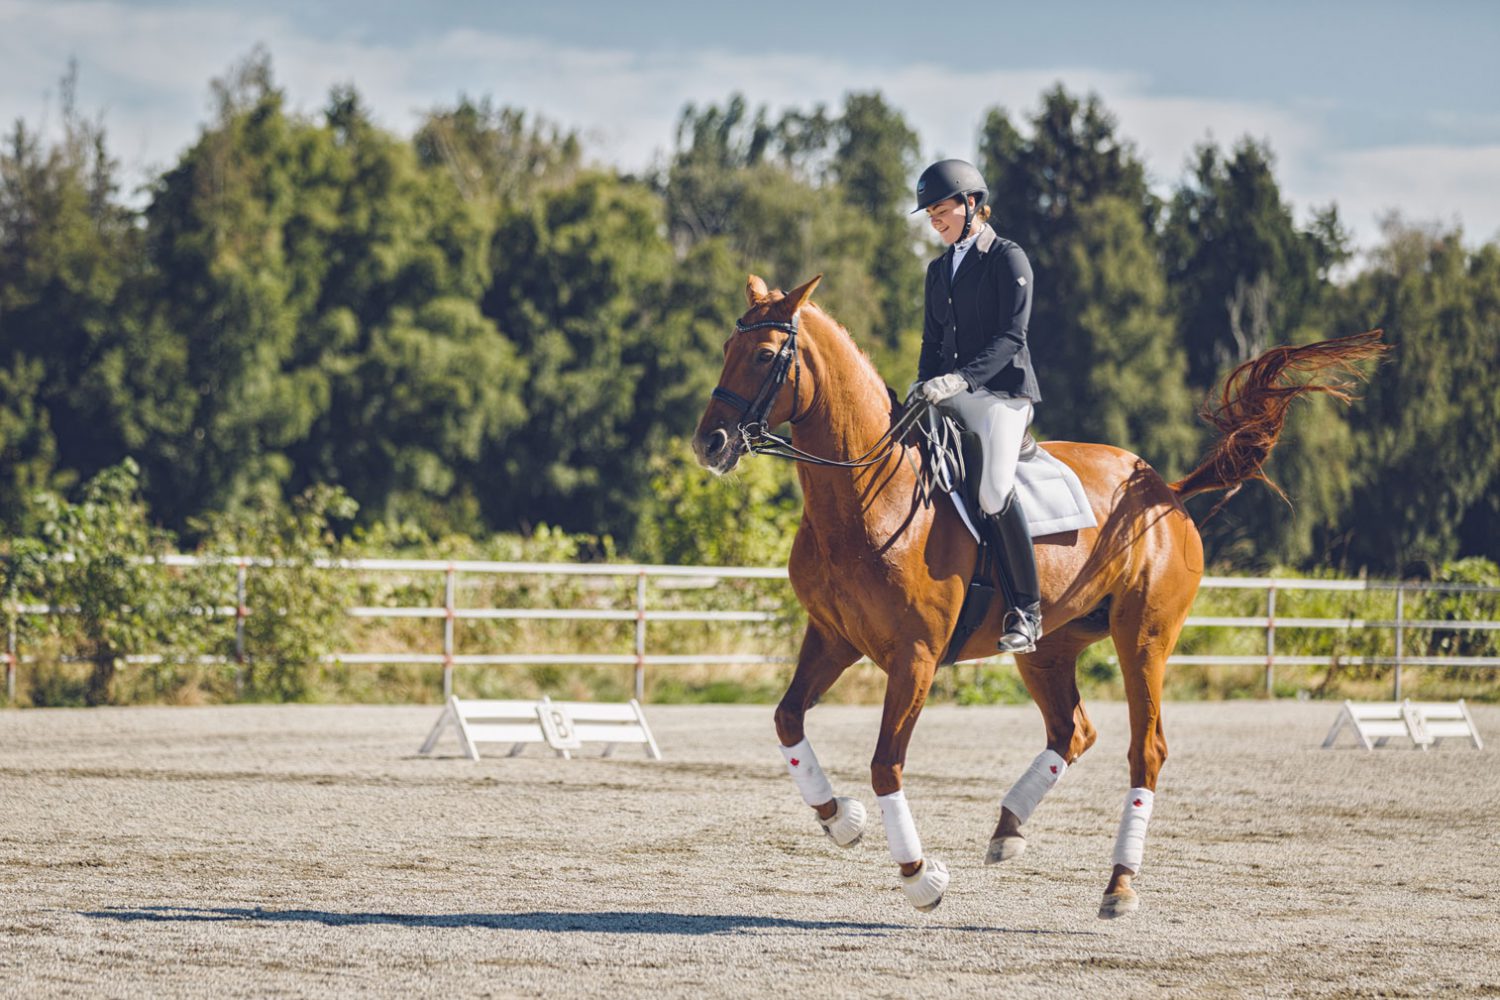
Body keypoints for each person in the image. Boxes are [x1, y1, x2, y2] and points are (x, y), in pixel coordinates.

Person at [910, 158, 1042, 654]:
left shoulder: (1007, 258)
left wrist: (960, 379)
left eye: (940, 210)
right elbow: (931, 340)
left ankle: (1027, 612)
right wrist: (920, 385)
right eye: (929, 214)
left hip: (1002, 395)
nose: (934, 221)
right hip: (949, 391)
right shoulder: (938, 269)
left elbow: (1013, 337)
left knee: (991, 493)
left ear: (971, 204)